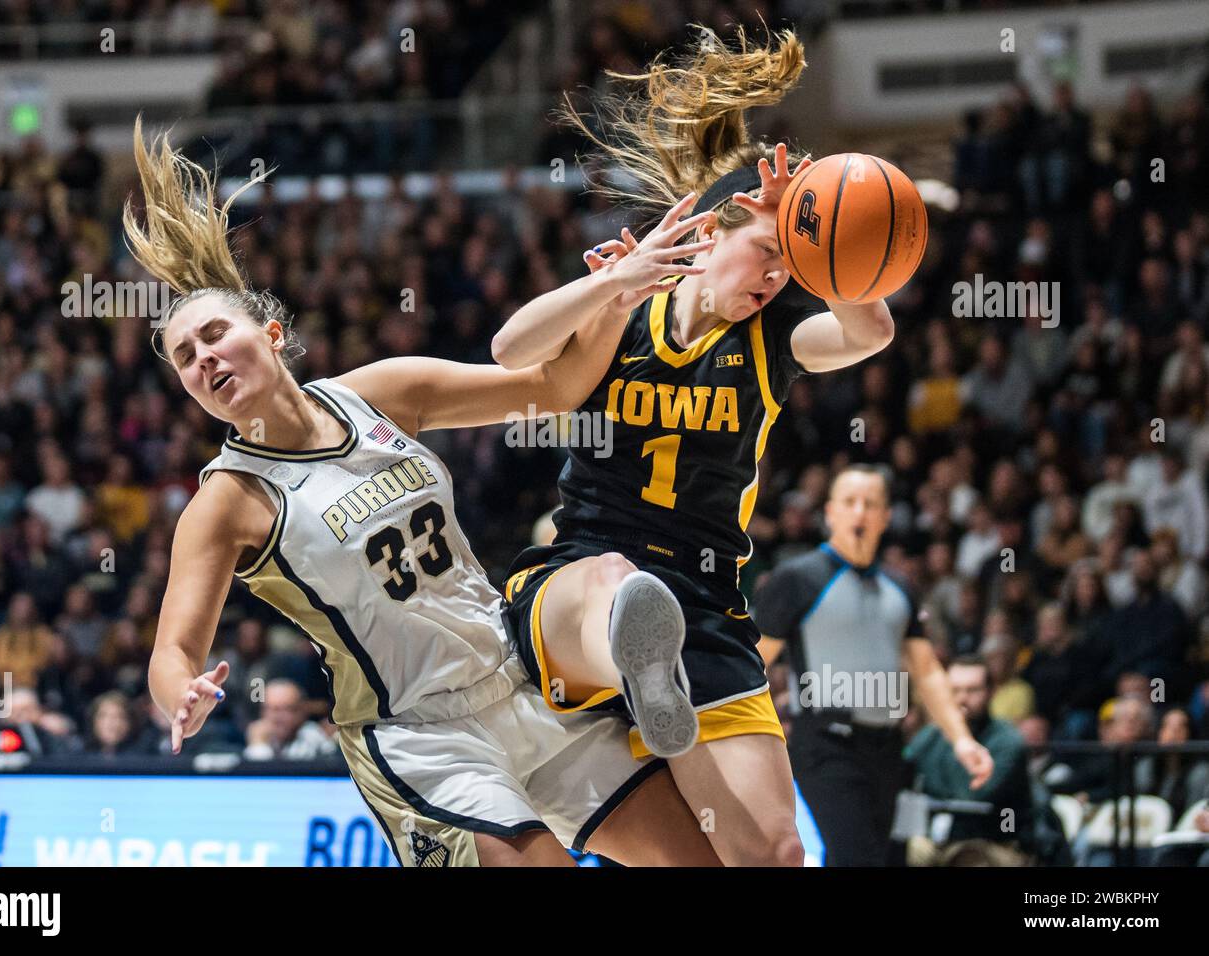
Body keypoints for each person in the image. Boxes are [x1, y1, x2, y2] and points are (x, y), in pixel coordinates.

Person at [124, 119, 719, 867]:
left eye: (214, 335)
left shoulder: (378, 392)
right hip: (419, 736)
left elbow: (553, 385)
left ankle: (623, 652)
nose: (203, 359)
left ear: (272, 333)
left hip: (516, 677)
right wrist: (181, 692)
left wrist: (618, 295)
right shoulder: (228, 501)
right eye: (186, 358)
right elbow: (172, 649)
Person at [491, 25, 896, 867]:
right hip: (583, 576)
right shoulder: (626, 299)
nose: (773, 280)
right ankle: (645, 678)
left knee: (776, 854)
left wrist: (828, 258)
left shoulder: (775, 336)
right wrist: (604, 285)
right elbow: (510, 351)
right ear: (714, 230)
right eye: (768, 255)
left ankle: (659, 690)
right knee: (618, 585)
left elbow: (869, 333)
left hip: (708, 603)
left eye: (792, 269)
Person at [751, 465, 994, 866]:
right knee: (857, 858)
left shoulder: (900, 587)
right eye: (850, 503)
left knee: (883, 858)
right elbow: (753, 661)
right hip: (827, 744)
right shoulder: (797, 579)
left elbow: (927, 669)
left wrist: (962, 739)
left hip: (888, 749)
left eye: (871, 504)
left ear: (885, 516)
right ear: (830, 513)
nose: (860, 512)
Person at [905, 656, 1034, 864]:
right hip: (938, 838)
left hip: (997, 839)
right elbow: (900, 775)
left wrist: (953, 744)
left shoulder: (1007, 740)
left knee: (969, 859)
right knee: (904, 850)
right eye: (954, 690)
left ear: (991, 692)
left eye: (972, 690)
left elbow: (973, 795)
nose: (962, 699)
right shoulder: (931, 736)